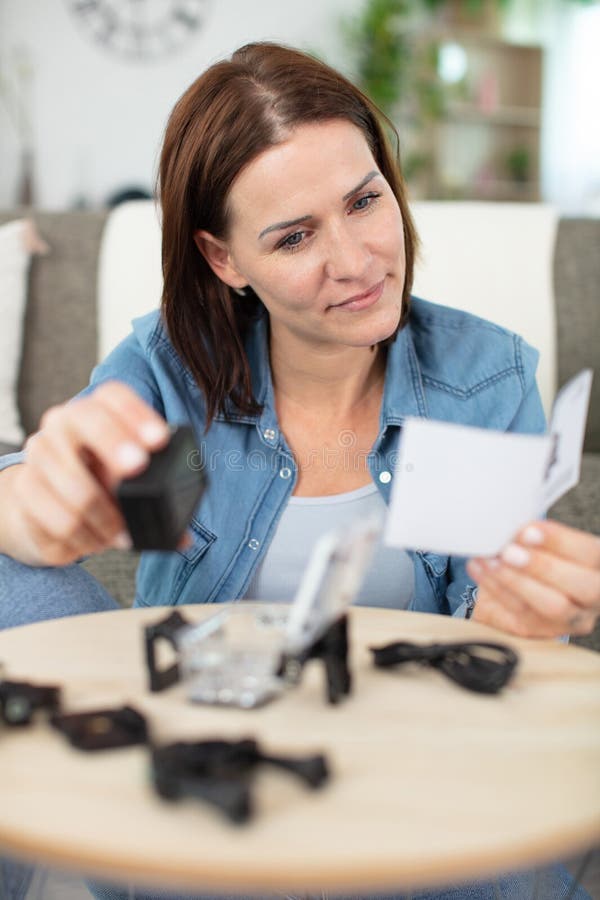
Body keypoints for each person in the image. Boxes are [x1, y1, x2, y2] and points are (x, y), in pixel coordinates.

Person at [0, 42, 597, 900]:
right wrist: (26, 504)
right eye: (293, 237)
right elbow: (48, 479)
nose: (356, 263)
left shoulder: (484, 377)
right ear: (224, 259)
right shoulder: (171, 370)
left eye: (365, 200)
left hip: (411, 783)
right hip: (207, 778)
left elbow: (492, 641)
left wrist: (519, 622)